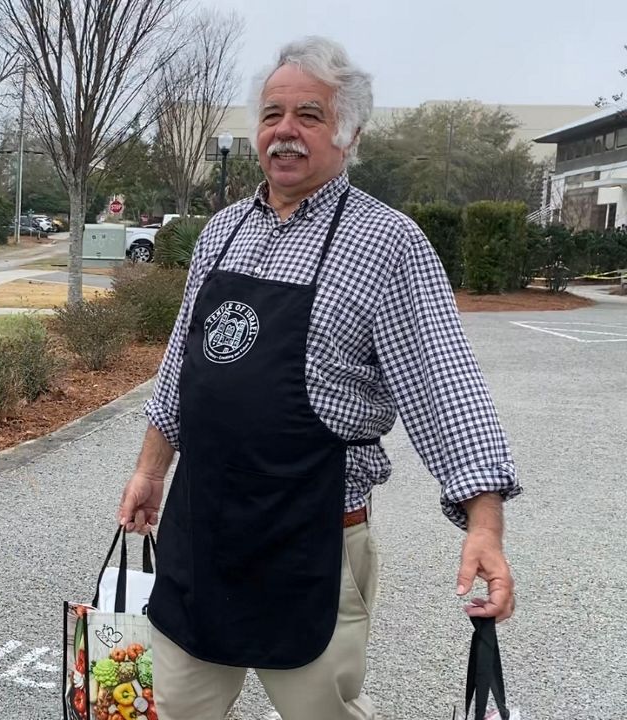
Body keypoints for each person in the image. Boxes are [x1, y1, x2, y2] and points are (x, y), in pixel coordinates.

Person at [116, 36, 521, 720]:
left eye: (309, 114)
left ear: (349, 131)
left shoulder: (387, 242)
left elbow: (446, 387)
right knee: (174, 706)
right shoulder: (221, 232)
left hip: (313, 543)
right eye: (273, 114)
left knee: (320, 712)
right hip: (200, 528)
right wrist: (151, 470)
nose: (285, 132)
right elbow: (182, 368)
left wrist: (484, 525)